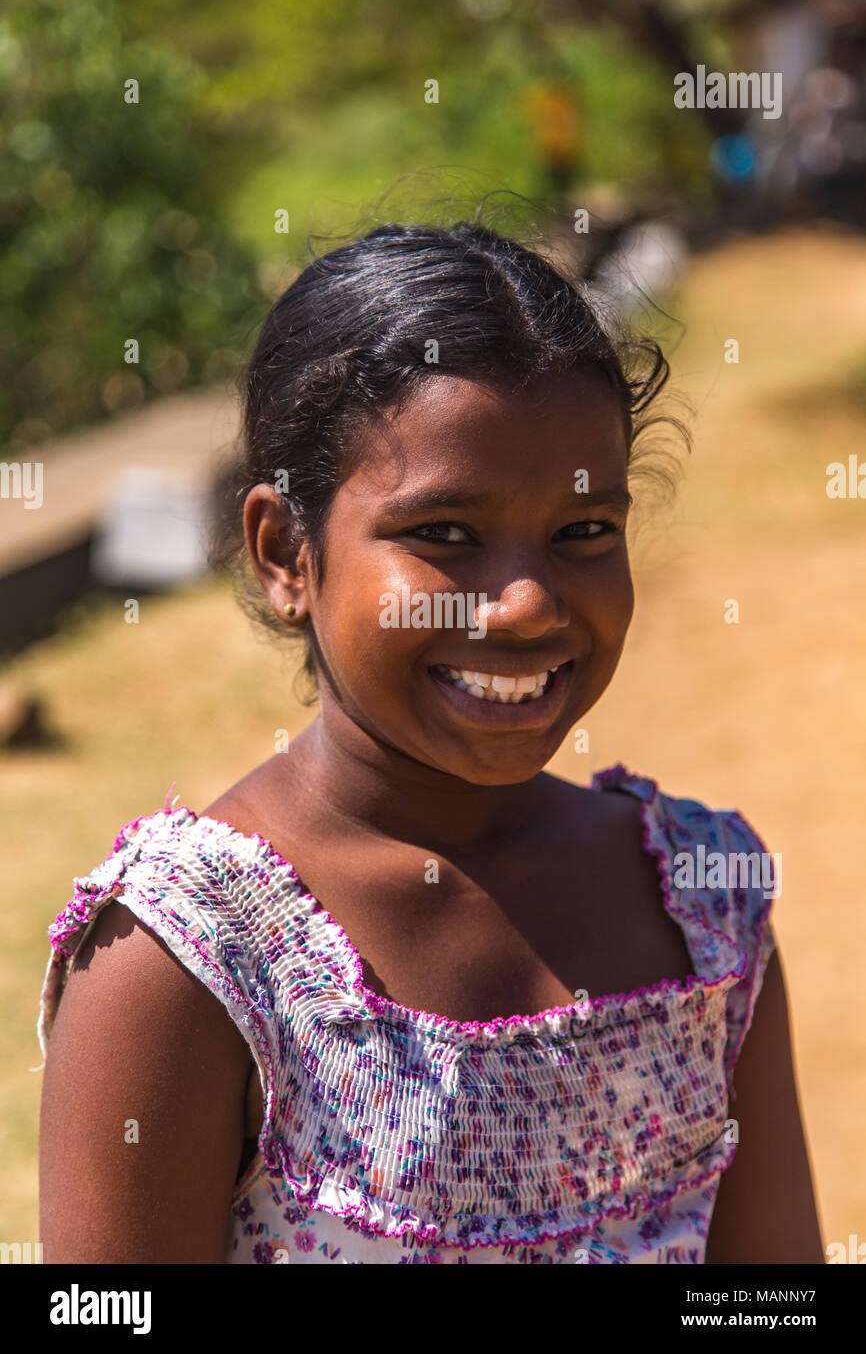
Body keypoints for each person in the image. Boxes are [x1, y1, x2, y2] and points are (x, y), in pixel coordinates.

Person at [37, 219, 823, 1264]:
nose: (527, 604)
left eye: (582, 532)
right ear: (285, 555)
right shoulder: (185, 957)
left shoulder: (702, 913)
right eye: (443, 534)